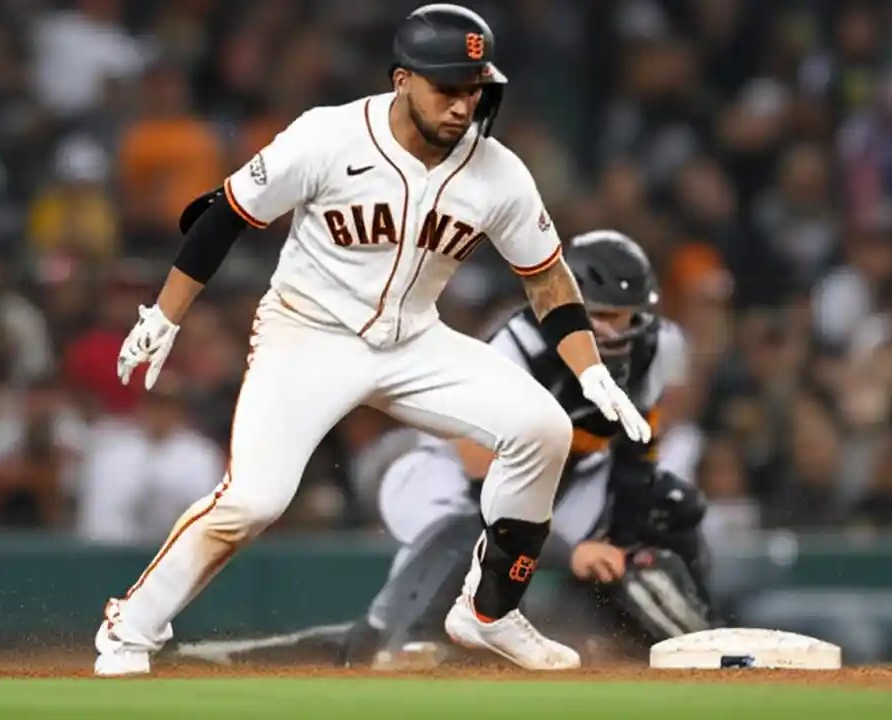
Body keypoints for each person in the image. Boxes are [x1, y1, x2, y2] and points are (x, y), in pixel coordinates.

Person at [95, 4, 648, 676]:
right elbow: (225, 216)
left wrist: (589, 370)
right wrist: (164, 316)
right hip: (308, 335)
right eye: (446, 87)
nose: (461, 104)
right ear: (401, 80)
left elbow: (548, 279)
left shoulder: (497, 171)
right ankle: (132, 625)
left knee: (543, 429)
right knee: (255, 499)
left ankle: (490, 611)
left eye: (474, 89)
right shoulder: (328, 137)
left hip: (415, 341)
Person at [176, 231, 717, 668]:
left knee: (669, 504)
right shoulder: (513, 349)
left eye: (625, 317)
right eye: (600, 314)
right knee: (464, 537)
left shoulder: (662, 346)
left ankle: (665, 640)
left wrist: (619, 545)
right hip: (450, 477)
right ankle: (382, 643)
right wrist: (572, 550)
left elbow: (635, 459)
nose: (614, 331)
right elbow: (487, 484)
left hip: (567, 479)